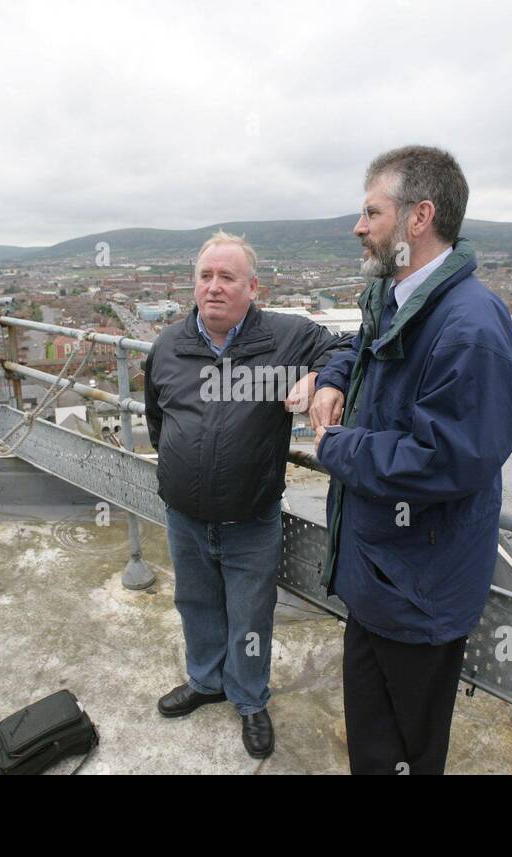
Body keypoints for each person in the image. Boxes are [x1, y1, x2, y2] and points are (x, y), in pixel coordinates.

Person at [309, 146, 512, 774]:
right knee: (372, 742)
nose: (358, 226)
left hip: (420, 588)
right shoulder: (397, 293)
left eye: (371, 211)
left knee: (407, 752)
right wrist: (332, 377)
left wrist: (335, 445)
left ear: (419, 217)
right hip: (377, 572)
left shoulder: (470, 327)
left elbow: (449, 460)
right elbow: (362, 342)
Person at [144, 230, 348, 759]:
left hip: (251, 517)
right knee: (195, 604)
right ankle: (206, 681)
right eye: (205, 276)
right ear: (194, 284)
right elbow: (157, 421)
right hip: (184, 515)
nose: (214, 287)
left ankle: (250, 699)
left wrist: (322, 379)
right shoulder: (168, 346)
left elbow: (348, 346)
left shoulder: (284, 338)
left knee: (251, 613)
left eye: (227, 277)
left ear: (252, 286)